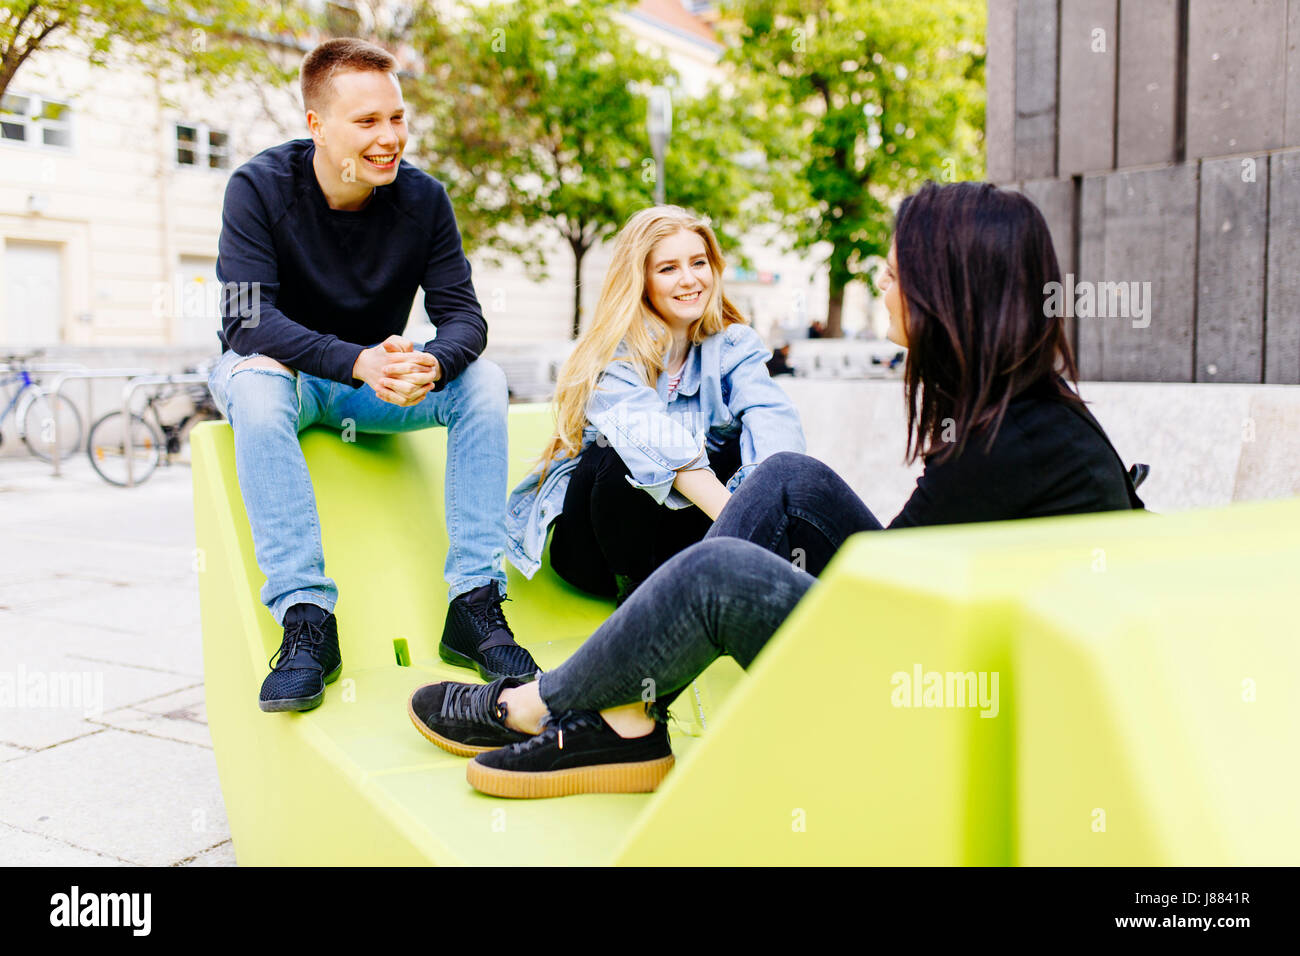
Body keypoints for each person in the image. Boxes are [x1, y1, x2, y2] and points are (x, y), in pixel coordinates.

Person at [408, 181, 1146, 798]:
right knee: (784, 479)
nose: (884, 289)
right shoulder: (1016, 414)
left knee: (716, 568)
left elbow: (890, 598)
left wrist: (735, 569)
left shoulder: (1009, 439)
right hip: (939, 647)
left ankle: (541, 706)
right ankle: (622, 713)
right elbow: (902, 574)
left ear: (951, 291)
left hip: (924, 696)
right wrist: (756, 514)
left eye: (894, 276)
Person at [209, 38, 538, 714]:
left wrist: (430, 363)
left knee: (484, 380)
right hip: (293, 379)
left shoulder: (424, 200)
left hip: (374, 386)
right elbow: (245, 321)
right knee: (256, 380)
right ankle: (306, 620)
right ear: (316, 126)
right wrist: (354, 359)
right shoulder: (257, 188)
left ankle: (473, 604)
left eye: (396, 118)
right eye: (367, 123)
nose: (389, 138)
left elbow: (464, 319)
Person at [504, 206, 805, 606]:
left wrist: (771, 515)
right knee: (618, 452)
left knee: (754, 449)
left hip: (687, 537)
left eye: (699, 262)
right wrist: (747, 526)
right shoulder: (612, 354)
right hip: (599, 550)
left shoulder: (735, 345)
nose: (689, 279)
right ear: (640, 279)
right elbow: (656, 441)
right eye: (668, 269)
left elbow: (773, 418)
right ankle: (640, 604)